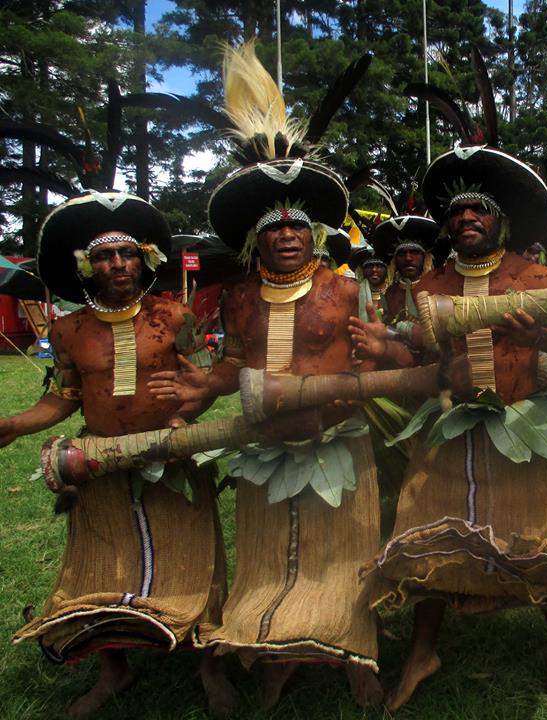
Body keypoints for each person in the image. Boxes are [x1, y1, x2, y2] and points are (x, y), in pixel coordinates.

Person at [148, 42, 382, 708]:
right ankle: (276, 644)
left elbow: (368, 361)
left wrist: (385, 354)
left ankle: (355, 649)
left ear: (315, 236)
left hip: (338, 440)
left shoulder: (345, 289)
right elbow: (235, 364)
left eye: (298, 228)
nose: (287, 237)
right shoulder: (238, 296)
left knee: (346, 551)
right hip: (264, 446)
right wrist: (205, 384)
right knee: (273, 552)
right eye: (275, 230)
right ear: (258, 241)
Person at [351, 146, 547, 718]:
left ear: (499, 219)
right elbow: (421, 352)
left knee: (543, 543)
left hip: (525, 425)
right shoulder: (430, 285)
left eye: (478, 209)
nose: (466, 219)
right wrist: (381, 345)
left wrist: (542, 339)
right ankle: (421, 654)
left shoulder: (535, 276)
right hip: (451, 426)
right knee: (431, 537)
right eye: (456, 212)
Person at [1, 191, 233, 718]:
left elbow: (205, 384)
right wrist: (15, 423)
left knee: (197, 557)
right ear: (87, 266)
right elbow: (63, 397)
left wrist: (184, 420)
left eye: (127, 253)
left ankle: (211, 665)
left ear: (145, 259)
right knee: (106, 566)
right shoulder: (67, 330)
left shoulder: (174, 317)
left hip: (171, 455)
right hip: (100, 461)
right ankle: (115, 669)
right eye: (104, 256)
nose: (117, 264)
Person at [369, 214, 442, 325]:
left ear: (425, 259)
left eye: (414, 252)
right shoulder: (390, 293)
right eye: (402, 253)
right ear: (395, 261)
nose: (408, 258)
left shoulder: (438, 290)